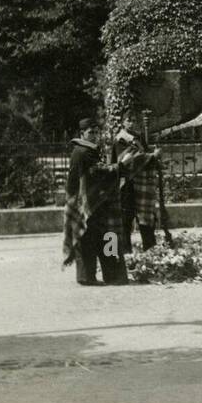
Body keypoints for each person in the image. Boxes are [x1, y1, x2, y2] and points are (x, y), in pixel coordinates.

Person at [64, 117, 127, 286]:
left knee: (98, 237)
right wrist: (120, 166)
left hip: (93, 201)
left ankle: (103, 275)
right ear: (82, 133)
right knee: (92, 238)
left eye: (96, 132)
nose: (94, 135)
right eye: (90, 132)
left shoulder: (87, 150)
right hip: (87, 202)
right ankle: (91, 276)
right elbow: (97, 171)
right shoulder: (83, 151)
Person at [116, 118, 165, 251]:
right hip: (127, 184)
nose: (132, 123)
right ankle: (126, 253)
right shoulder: (121, 139)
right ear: (122, 122)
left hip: (142, 183)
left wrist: (154, 155)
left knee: (145, 219)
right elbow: (129, 160)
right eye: (128, 120)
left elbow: (144, 153)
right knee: (126, 219)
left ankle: (150, 251)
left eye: (134, 120)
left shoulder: (138, 138)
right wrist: (152, 156)